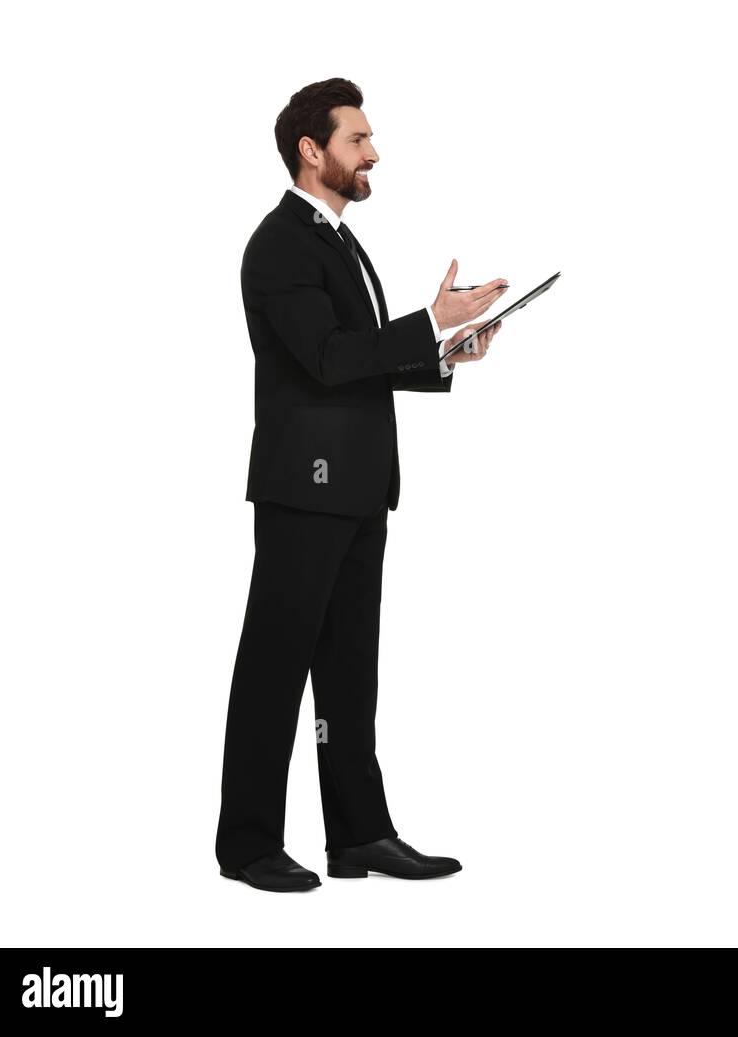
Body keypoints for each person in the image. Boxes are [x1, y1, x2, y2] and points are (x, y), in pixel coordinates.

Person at [215, 78, 507, 892]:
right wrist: (430, 322)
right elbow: (327, 359)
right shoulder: (280, 244)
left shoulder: (336, 239)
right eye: (357, 140)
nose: (372, 152)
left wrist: (442, 355)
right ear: (312, 151)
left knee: (348, 670)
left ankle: (359, 835)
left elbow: (351, 357)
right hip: (305, 485)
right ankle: (246, 844)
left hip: (355, 485)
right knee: (275, 665)